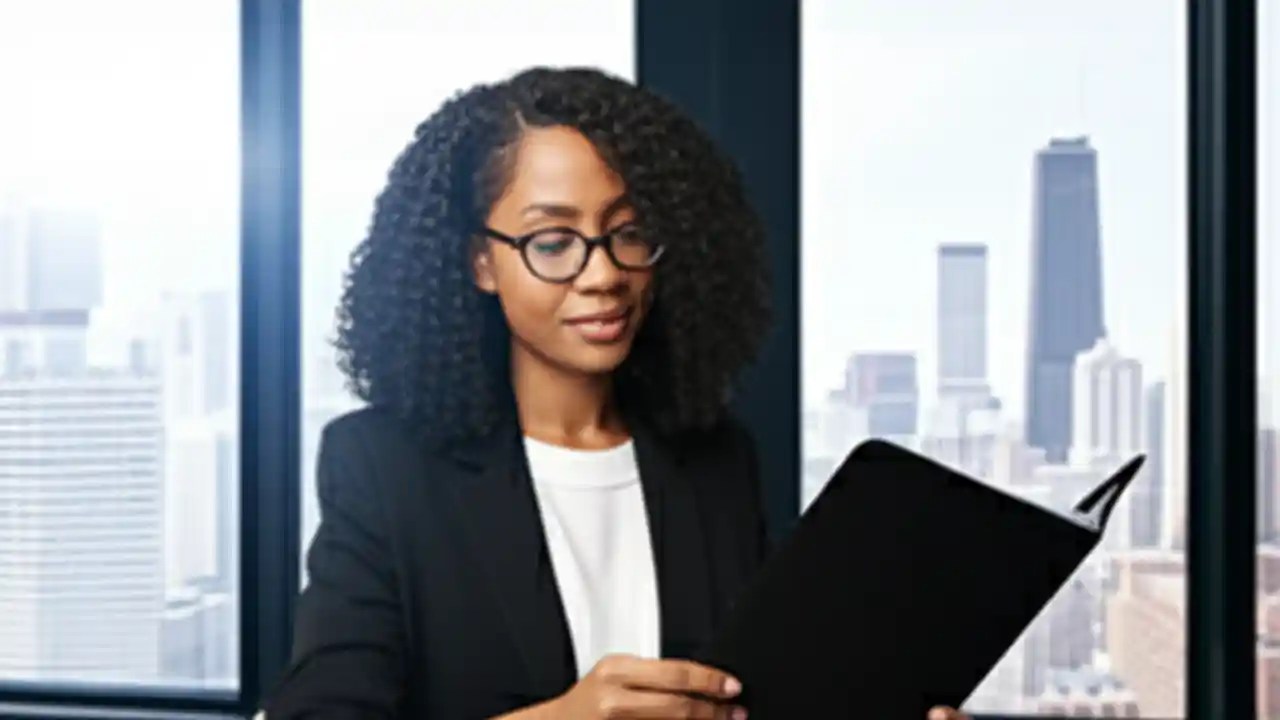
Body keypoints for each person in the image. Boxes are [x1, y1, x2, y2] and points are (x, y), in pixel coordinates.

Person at [265, 66, 969, 720]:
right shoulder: (384, 468)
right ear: (481, 262)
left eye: (627, 232)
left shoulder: (716, 460)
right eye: (553, 241)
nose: (603, 274)